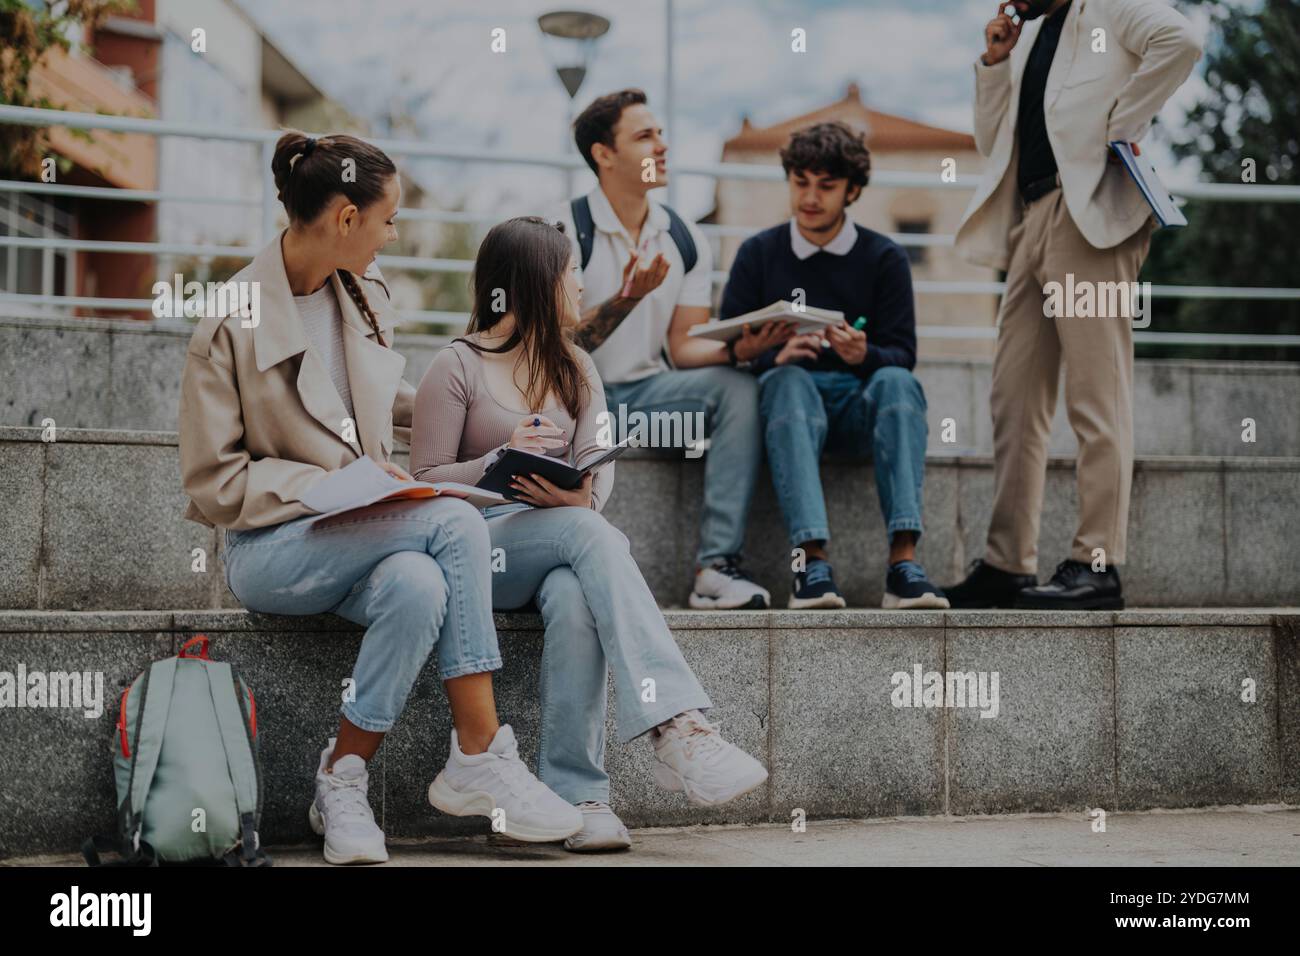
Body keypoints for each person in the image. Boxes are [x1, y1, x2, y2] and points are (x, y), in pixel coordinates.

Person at [178, 133, 583, 865]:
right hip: (272, 548)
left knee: (420, 584)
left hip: (362, 534)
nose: (393, 236)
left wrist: (439, 405)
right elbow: (215, 484)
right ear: (343, 219)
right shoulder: (230, 320)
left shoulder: (364, 298)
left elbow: (357, 403)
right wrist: (328, 486)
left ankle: (341, 778)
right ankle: (480, 752)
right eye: (388, 220)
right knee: (455, 520)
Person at [410, 216, 770, 853]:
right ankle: (676, 727)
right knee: (592, 539)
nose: (580, 284)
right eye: (570, 272)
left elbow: (596, 482)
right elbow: (428, 481)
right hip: (476, 552)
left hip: (561, 542)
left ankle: (579, 795)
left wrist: (580, 492)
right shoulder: (455, 364)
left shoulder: (577, 369)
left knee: (578, 594)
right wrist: (497, 463)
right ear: (533, 283)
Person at [946, 0, 1201, 609]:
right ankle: (1008, 563)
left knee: (1096, 394)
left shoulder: (1112, 6)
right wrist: (993, 63)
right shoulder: (1033, 41)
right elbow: (990, 142)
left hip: (1089, 220)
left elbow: (1182, 43)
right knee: (1014, 397)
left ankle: (1098, 563)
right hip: (1032, 218)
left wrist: (1120, 125)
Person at [548, 88, 774, 610]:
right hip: (577, 402)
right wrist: (628, 297)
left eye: (662, 134)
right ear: (604, 154)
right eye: (645, 137)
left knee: (739, 388)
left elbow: (683, 345)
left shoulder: (685, 235)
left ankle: (714, 571)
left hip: (643, 403)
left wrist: (742, 349)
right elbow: (552, 349)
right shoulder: (561, 228)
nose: (662, 147)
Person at [720, 122, 947, 611]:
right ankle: (811, 565)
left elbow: (903, 353)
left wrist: (863, 354)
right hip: (788, 410)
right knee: (786, 378)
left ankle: (903, 564)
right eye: (801, 182)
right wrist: (768, 355)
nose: (810, 197)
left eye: (826, 186)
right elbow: (729, 345)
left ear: (853, 191)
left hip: (858, 405)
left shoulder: (884, 257)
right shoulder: (758, 253)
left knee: (897, 381)